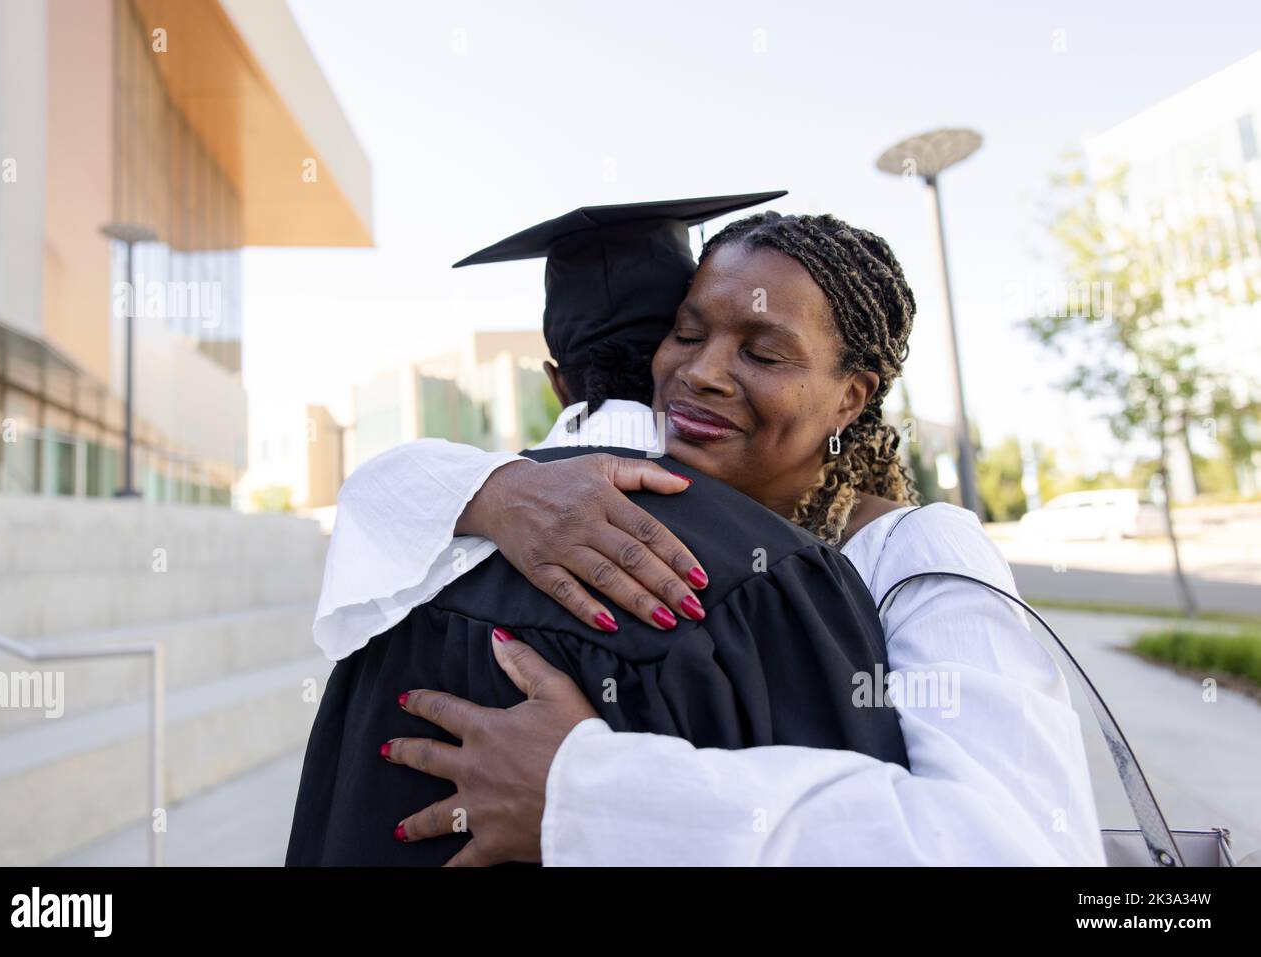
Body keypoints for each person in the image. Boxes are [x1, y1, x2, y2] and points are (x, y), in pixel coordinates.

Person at [323, 210, 1106, 866]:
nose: (701, 372)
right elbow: (385, 492)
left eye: (762, 352)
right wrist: (497, 492)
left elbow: (1013, 847)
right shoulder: (603, 509)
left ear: (850, 397)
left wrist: (584, 789)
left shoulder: (916, 555)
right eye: (687, 333)